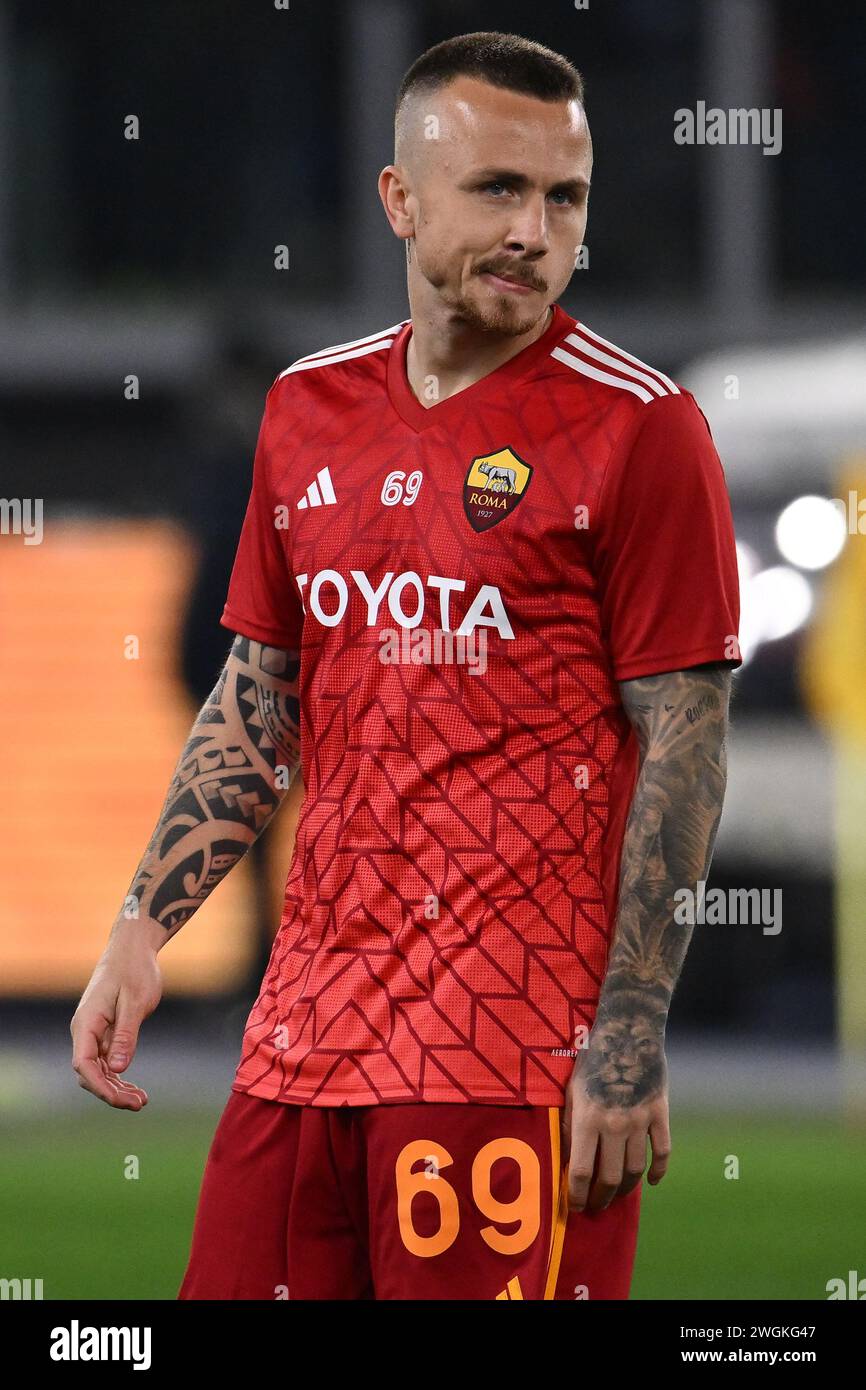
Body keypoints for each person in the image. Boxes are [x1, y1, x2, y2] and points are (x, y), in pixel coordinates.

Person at [71, 30, 741, 1301]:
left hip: (506, 1056)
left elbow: (685, 740)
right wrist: (141, 928)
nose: (536, 230)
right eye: (498, 188)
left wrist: (626, 1038)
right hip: (298, 1048)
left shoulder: (642, 431)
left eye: (564, 197)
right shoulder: (302, 409)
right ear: (399, 198)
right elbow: (258, 696)